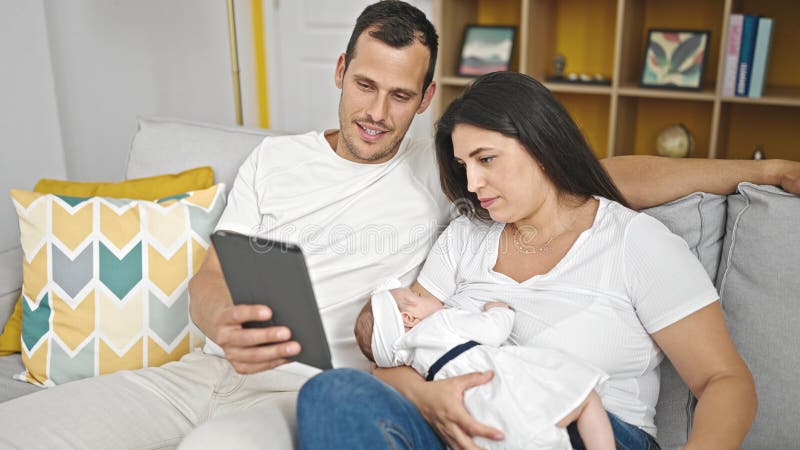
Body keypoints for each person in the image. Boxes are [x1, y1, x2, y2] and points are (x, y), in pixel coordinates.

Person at [0, 2, 796, 448]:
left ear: (424, 99)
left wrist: (755, 172)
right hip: (232, 374)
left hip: (357, 399)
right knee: (29, 432)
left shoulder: (461, 178)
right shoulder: (303, 168)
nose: (377, 112)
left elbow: (595, 178)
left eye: (401, 95)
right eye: (365, 85)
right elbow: (217, 275)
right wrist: (224, 322)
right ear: (340, 73)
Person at [296, 71, 760, 450]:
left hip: (585, 432)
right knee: (332, 392)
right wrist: (430, 396)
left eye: (486, 159)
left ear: (541, 146)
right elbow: (397, 349)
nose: (472, 183)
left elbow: (724, 380)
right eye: (463, 166)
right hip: (466, 426)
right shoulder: (465, 237)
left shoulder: (636, 243)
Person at [356, 282, 614, 450]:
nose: (424, 295)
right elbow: (493, 331)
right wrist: (500, 311)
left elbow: (381, 371)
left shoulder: (409, 360)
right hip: (513, 400)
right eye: (418, 296)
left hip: (480, 429)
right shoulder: (442, 322)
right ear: (409, 318)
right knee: (584, 397)